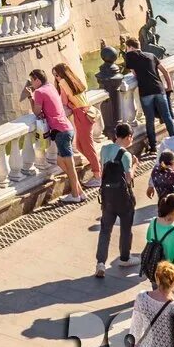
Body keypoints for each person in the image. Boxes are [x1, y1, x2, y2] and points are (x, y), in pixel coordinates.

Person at [23, 71, 83, 203]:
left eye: (32, 81)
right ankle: (79, 191)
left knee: (70, 166)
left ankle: (75, 195)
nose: (32, 84)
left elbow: (37, 112)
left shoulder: (39, 92)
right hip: (67, 128)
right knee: (60, 161)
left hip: (60, 132)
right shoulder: (50, 87)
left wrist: (30, 97)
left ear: (37, 80)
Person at [95, 122, 138, 279]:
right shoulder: (125, 155)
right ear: (127, 137)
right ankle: (125, 258)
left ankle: (100, 263)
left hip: (107, 195)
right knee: (126, 228)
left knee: (105, 230)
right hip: (123, 197)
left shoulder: (104, 150)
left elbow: (102, 170)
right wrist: (134, 166)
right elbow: (128, 179)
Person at [52, 62, 102, 186]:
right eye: (55, 76)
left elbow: (63, 100)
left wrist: (68, 104)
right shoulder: (76, 81)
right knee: (80, 146)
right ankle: (97, 168)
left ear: (62, 74)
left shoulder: (63, 83)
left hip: (81, 115)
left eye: (57, 75)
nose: (56, 78)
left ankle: (98, 175)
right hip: (87, 112)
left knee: (88, 146)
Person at [121, 37, 173, 153]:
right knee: (167, 117)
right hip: (159, 89)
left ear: (130, 47)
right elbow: (165, 71)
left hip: (146, 92)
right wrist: (169, 87)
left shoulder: (130, 56)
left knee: (149, 120)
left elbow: (134, 74)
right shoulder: (151, 55)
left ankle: (153, 146)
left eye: (127, 48)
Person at [143, 191, 174, 297]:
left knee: (157, 299)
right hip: (170, 276)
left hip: (154, 271)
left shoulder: (153, 222)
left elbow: (149, 239)